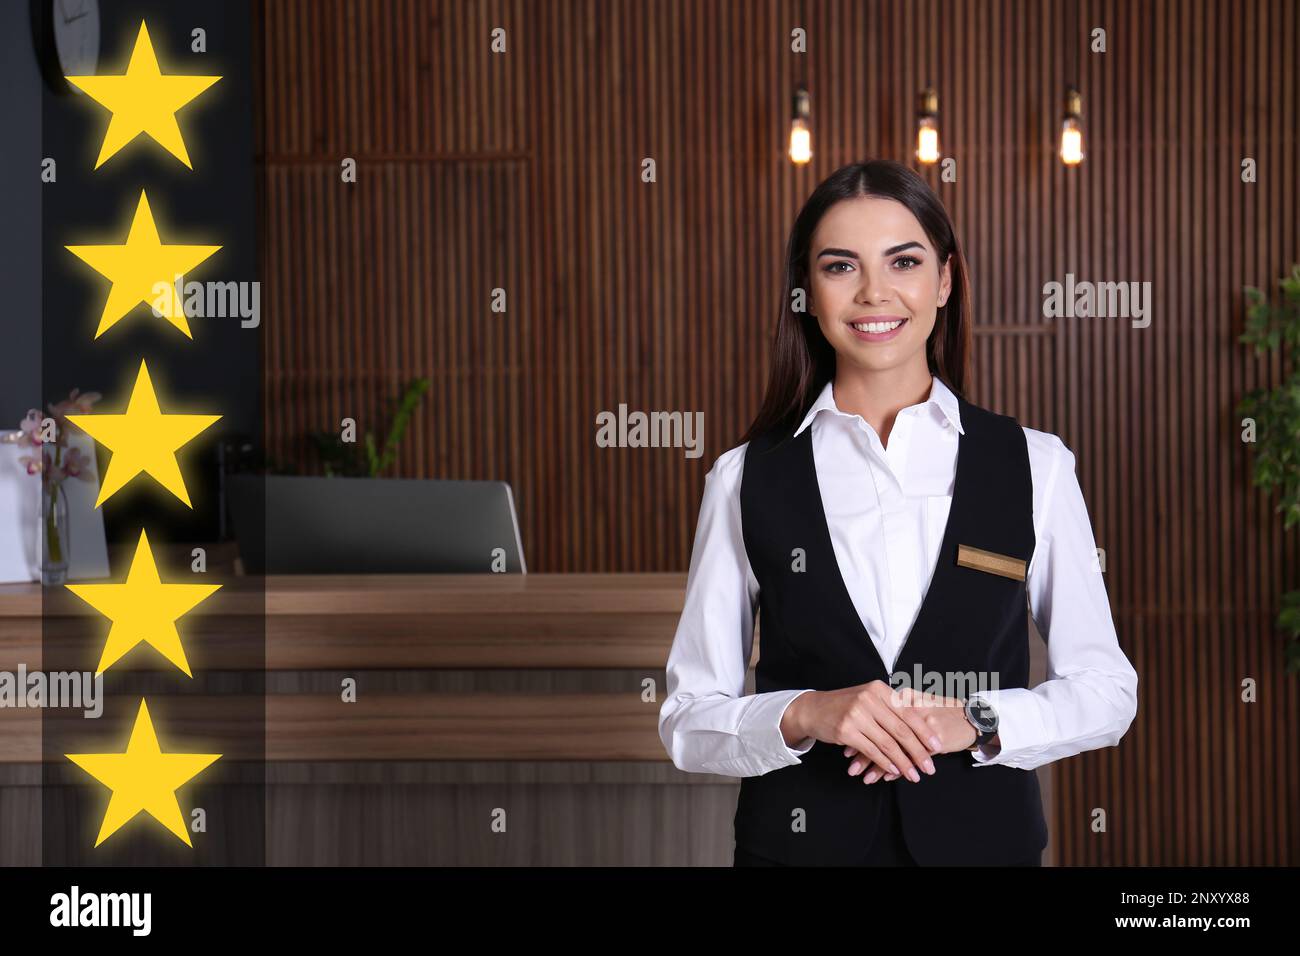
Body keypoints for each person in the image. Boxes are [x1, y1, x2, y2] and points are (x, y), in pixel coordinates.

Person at [658, 159, 1138, 867]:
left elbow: (1107, 693)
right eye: (840, 267)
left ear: (944, 280)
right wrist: (807, 714)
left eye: (903, 261)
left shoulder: (1035, 465)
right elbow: (688, 721)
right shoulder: (742, 479)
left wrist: (972, 721)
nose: (875, 292)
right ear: (808, 294)